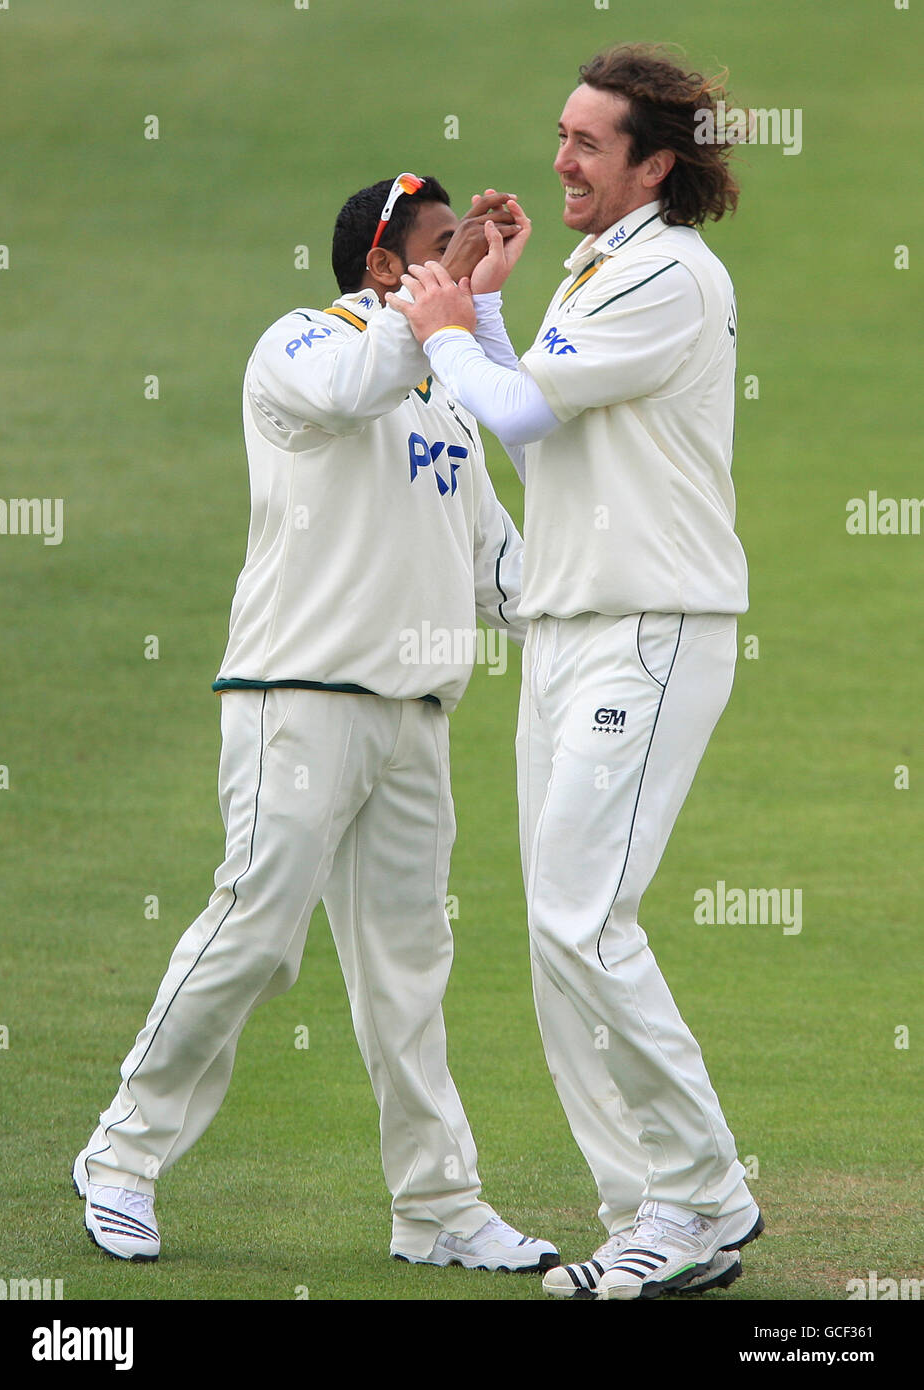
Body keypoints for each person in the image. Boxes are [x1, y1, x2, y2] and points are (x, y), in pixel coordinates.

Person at [72, 174, 560, 1278]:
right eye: (441, 248)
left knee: (410, 967)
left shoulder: (446, 394)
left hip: (416, 720)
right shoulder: (300, 343)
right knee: (255, 935)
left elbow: (500, 567)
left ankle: (438, 1205)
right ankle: (121, 1158)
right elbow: (350, 389)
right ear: (382, 265)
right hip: (297, 700)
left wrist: (598, 624)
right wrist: (441, 322)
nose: (462, 264)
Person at [387, 45, 763, 1301]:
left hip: (646, 630)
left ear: (656, 163)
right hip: (564, 632)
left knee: (581, 920)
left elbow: (523, 415)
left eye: (588, 144)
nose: (559, 161)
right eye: (561, 135)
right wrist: (484, 311)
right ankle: (645, 1212)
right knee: (561, 939)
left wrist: (442, 325)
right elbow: (539, 393)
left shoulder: (667, 274)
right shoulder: (604, 265)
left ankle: (705, 1196)